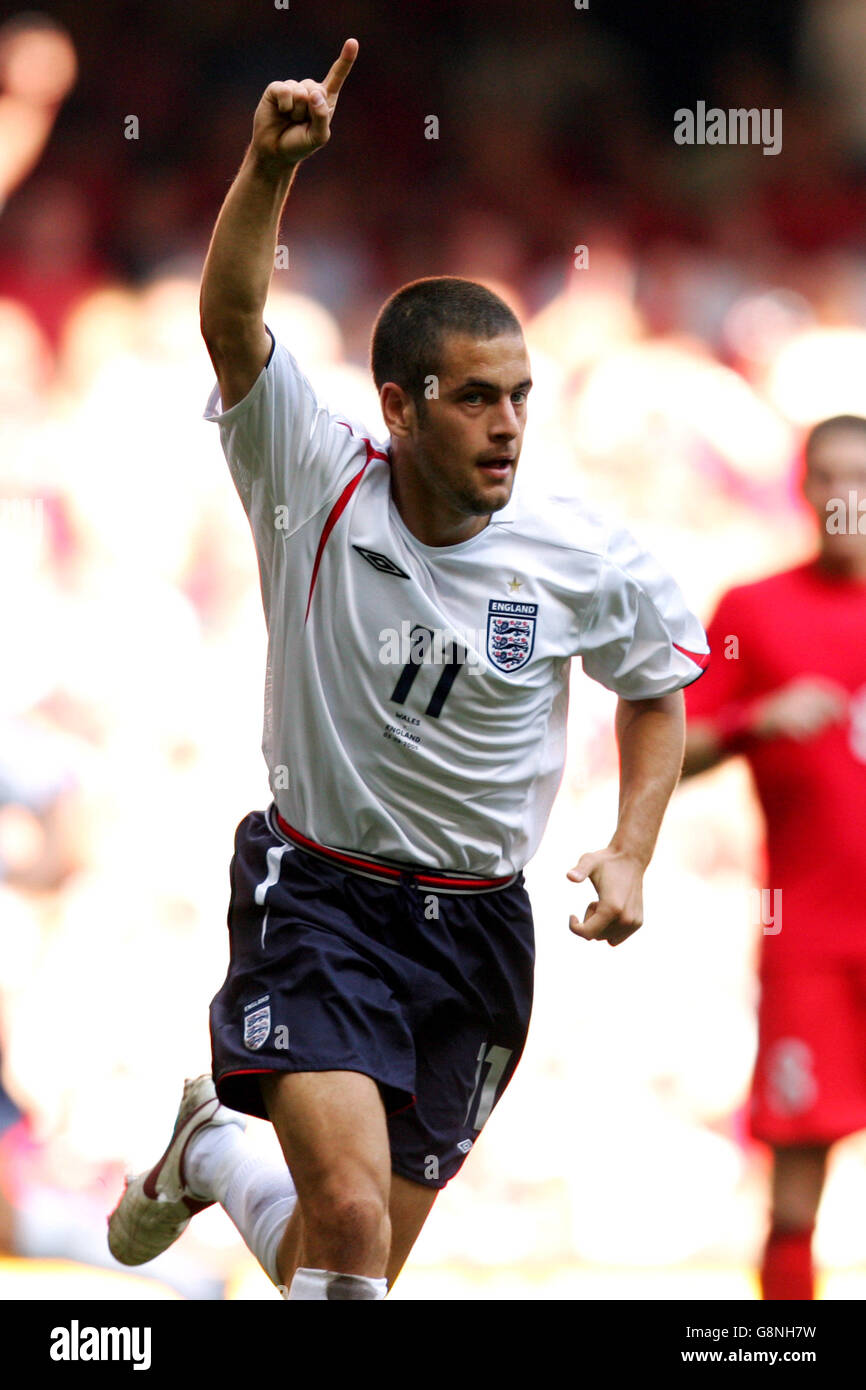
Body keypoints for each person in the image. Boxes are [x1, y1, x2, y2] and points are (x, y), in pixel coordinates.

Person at [108, 38, 708, 1301]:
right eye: (477, 399)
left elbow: (654, 684)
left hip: (478, 933)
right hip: (320, 894)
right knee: (346, 1223)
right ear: (397, 406)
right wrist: (269, 169)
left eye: (521, 399)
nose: (506, 427)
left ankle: (211, 1149)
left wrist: (632, 845)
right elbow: (228, 320)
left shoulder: (578, 551)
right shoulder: (314, 480)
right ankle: (233, 1145)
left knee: (342, 1261)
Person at [681, 414, 866, 1301]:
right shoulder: (753, 612)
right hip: (811, 943)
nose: (845, 497)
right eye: (827, 477)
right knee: (795, 1195)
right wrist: (758, 718)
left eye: (860, 477)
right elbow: (672, 751)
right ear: (802, 489)